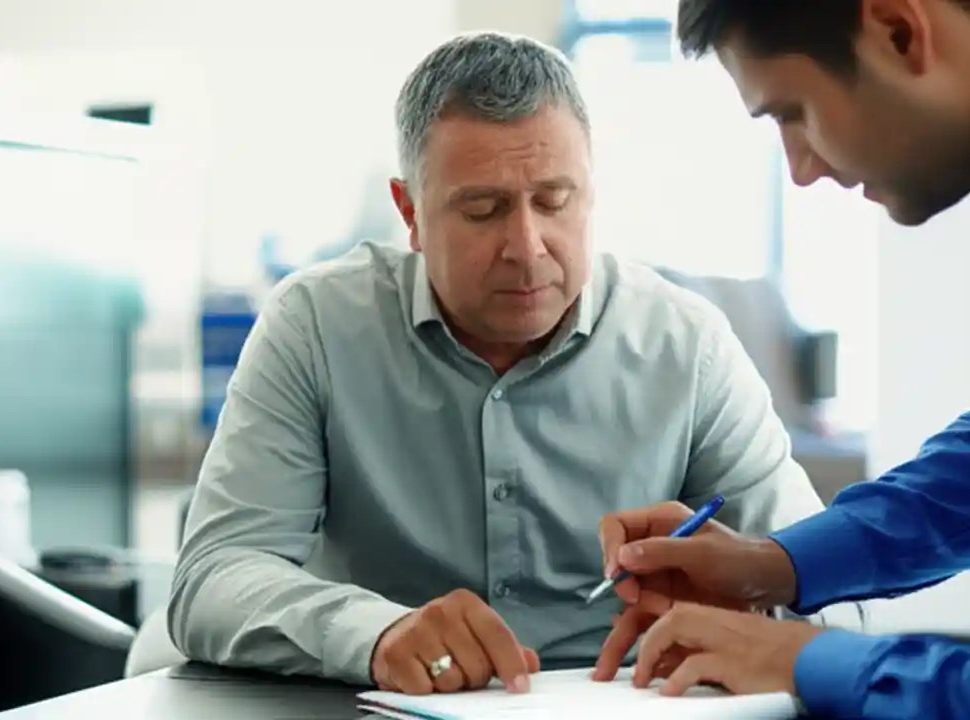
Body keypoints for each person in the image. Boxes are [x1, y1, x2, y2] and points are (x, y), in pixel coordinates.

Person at [168, 31, 856, 697]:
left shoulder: (687, 344)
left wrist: (755, 607)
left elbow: (836, 598)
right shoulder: (316, 325)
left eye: (554, 202)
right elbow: (213, 577)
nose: (527, 248)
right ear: (409, 211)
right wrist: (377, 635)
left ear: (592, 192)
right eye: (483, 209)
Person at [593, 0, 970, 716]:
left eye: (792, 112)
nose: (801, 169)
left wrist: (807, 660)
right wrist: (772, 567)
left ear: (897, 30)